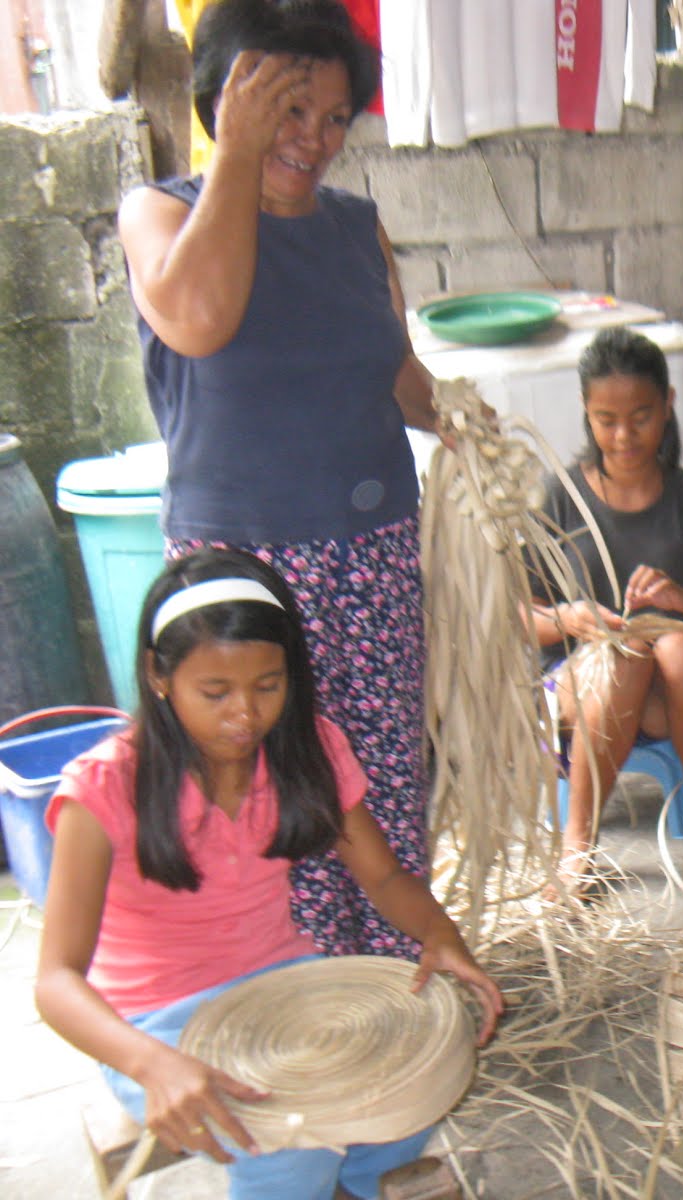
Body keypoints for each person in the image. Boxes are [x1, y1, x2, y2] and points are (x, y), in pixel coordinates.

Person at [117, 0, 443, 956]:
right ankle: (288, 1006)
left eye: (335, 117)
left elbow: (396, 373)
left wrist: (464, 423)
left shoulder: (357, 228)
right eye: (287, 112)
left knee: (379, 784)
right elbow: (200, 319)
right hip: (248, 577)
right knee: (263, 792)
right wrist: (236, 158)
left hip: (372, 560)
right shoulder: (163, 211)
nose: (315, 140)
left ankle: (390, 1000)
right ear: (226, 103)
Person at [34, 550, 502, 1200]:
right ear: (158, 676)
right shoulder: (105, 787)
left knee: (409, 1087)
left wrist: (441, 935)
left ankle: (354, 1186)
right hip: (154, 1021)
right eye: (215, 692)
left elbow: (386, 879)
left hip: (285, 985)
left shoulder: (305, 750)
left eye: (268, 685)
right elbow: (55, 980)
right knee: (289, 1145)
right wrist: (152, 1064)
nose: (245, 716)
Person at [524, 327, 683, 886]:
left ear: (668, 406)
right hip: (575, 691)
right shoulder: (560, 496)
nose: (623, 436)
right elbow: (520, 622)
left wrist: (682, 601)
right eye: (606, 420)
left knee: (678, 644)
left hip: (672, 697)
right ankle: (579, 844)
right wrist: (569, 619)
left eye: (641, 417)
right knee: (625, 654)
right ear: (585, 411)